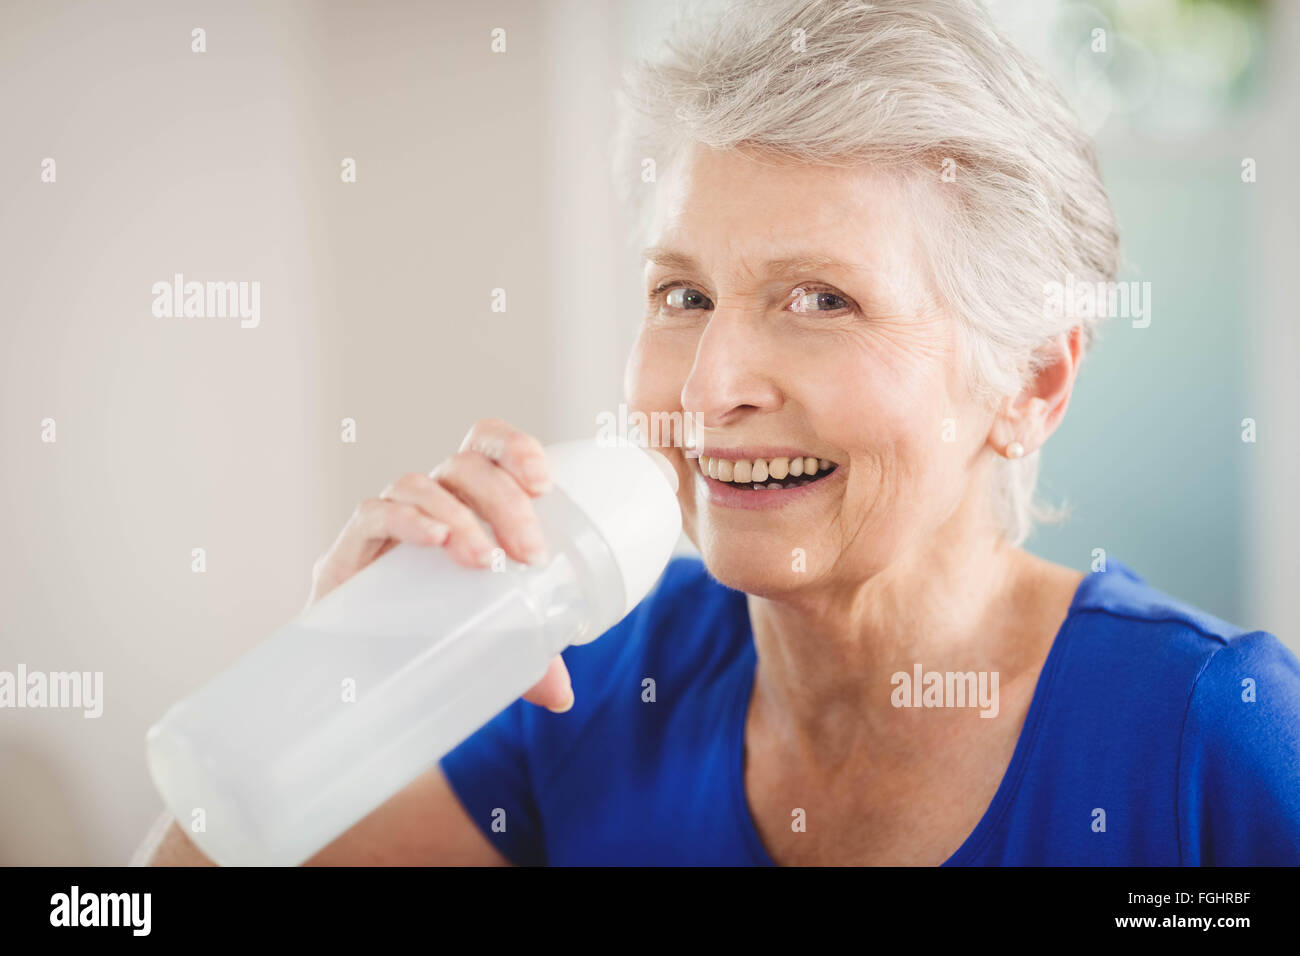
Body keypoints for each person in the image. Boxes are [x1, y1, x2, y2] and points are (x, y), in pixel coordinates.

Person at [136, 0, 1300, 866]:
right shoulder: (578, 680)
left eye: (822, 299)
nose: (711, 382)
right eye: (683, 293)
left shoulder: (1207, 735)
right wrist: (337, 678)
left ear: (1033, 382)